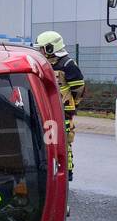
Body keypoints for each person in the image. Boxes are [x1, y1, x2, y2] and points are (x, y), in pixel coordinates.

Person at [35, 31, 84, 180]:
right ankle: (49, 169)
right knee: (48, 139)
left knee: (65, 140)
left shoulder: (68, 65)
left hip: (64, 111)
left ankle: (67, 173)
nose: (40, 51)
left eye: (42, 48)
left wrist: (71, 104)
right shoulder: (43, 64)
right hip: (47, 109)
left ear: (50, 48)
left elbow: (78, 89)